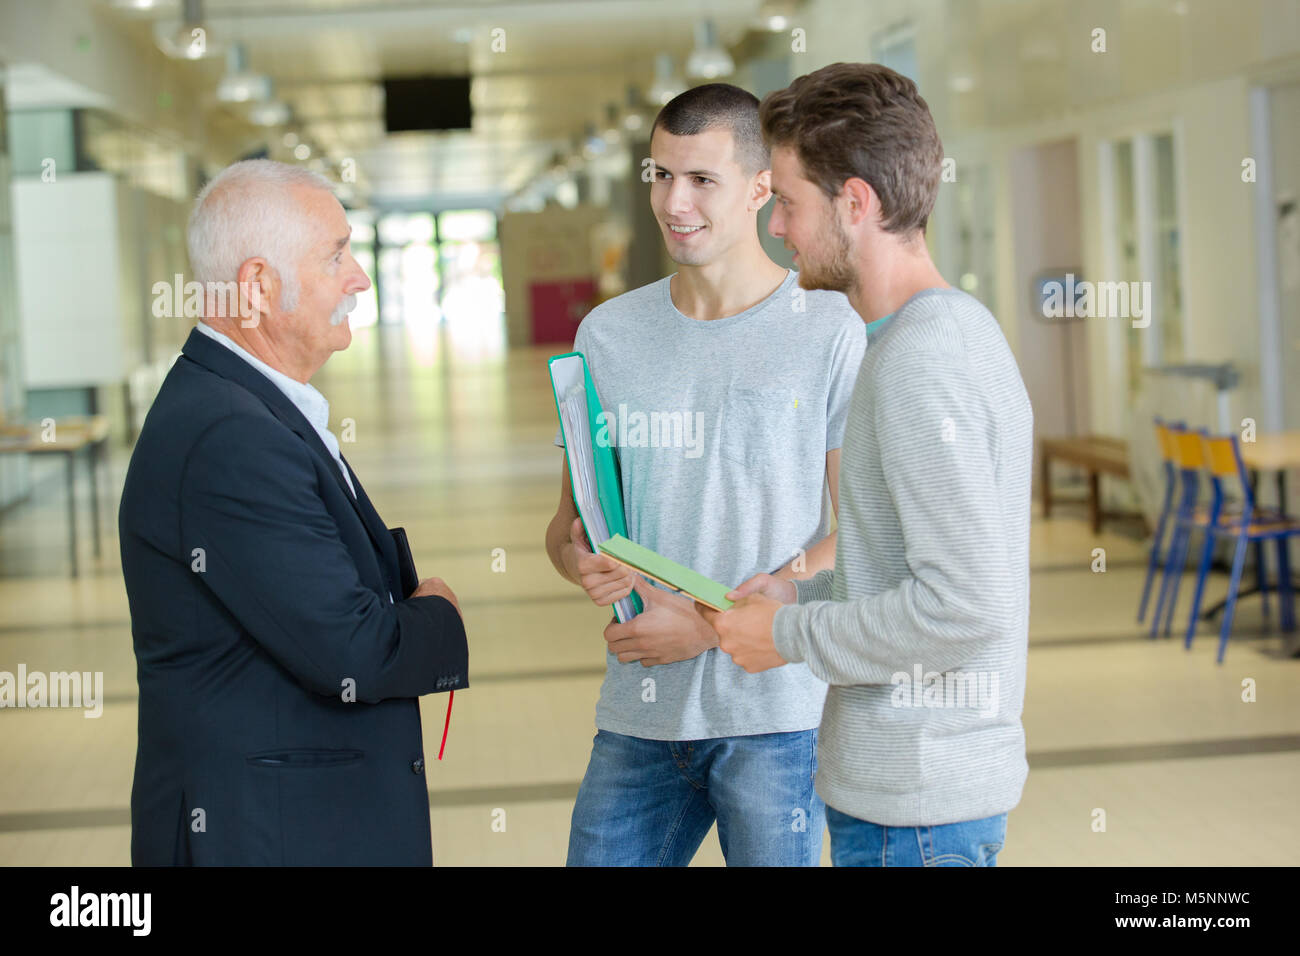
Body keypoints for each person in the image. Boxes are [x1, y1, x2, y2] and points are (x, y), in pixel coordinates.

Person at [701, 62, 1033, 867]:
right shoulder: (939, 333)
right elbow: (910, 577)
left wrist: (787, 631)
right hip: (911, 798)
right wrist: (804, 591)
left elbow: (960, 610)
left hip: (917, 809)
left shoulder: (924, 361)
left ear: (856, 204)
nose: (777, 227)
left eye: (787, 201)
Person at [543, 83, 866, 866]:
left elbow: (857, 533)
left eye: (700, 180)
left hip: (776, 717)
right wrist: (583, 562)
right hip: (640, 713)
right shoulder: (608, 333)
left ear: (761, 189)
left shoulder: (827, 328)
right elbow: (568, 525)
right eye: (660, 175)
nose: (672, 201)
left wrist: (710, 625)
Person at [119, 159, 468, 866]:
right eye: (336, 255)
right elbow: (353, 649)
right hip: (266, 837)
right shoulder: (230, 435)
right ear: (257, 287)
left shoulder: (245, 404)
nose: (359, 278)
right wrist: (439, 615)